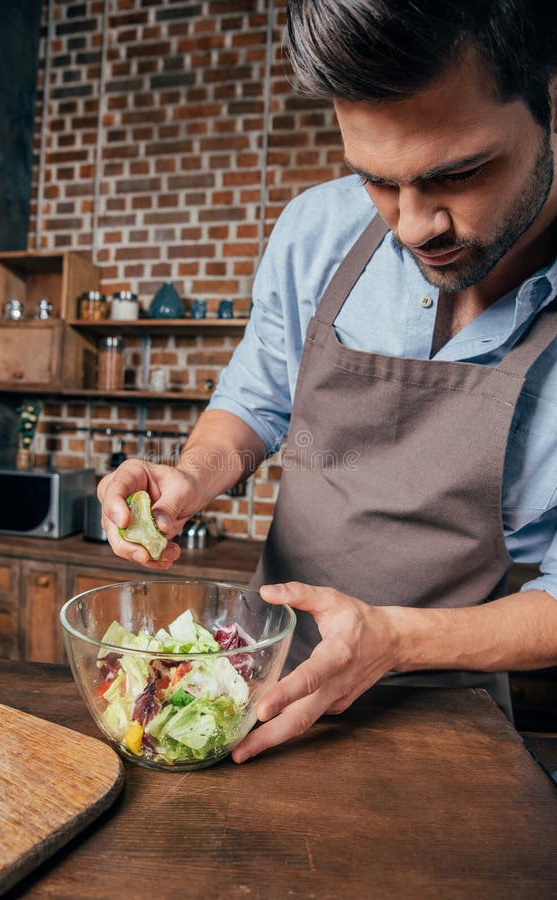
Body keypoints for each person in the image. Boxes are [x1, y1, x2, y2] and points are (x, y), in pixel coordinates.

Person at [99, 0, 557, 763]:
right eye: (376, 180)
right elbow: (255, 398)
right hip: (242, 683)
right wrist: (190, 475)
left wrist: (394, 640)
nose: (412, 227)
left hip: (440, 720)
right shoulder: (317, 229)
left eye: (458, 173)